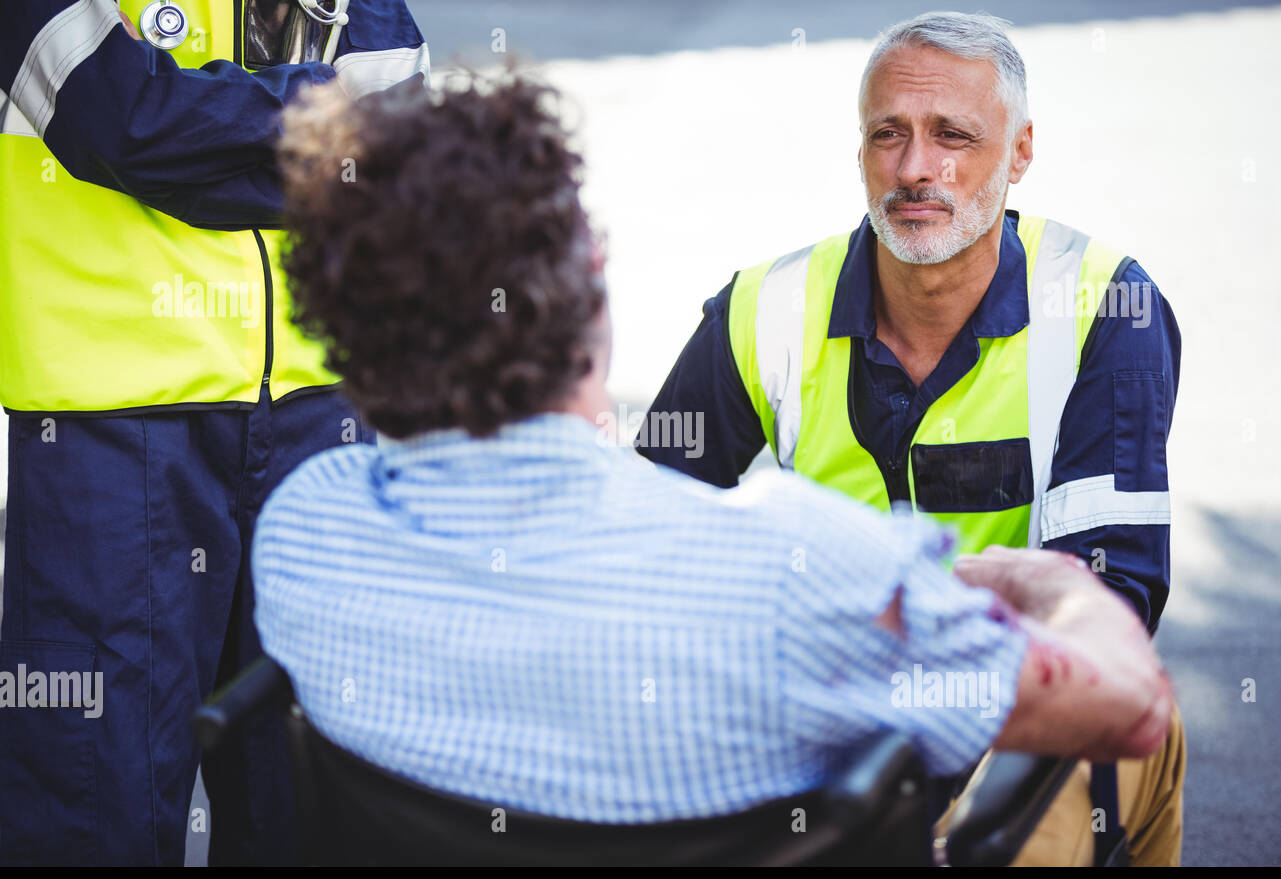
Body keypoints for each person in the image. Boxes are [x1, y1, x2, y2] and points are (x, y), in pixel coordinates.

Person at [251, 72, 1173, 840]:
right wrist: (1037, 585)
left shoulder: (304, 530)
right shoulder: (805, 575)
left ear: (344, 329)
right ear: (589, 284)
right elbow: (1126, 703)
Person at [637, 10, 1185, 866]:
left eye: (954, 135)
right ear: (859, 152)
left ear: (1022, 152)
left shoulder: (1104, 303)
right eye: (887, 134)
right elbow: (645, 544)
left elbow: (1114, 600)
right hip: (827, 733)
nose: (916, 168)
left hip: (1024, 714)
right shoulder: (760, 310)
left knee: (1129, 721)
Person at [0, 0, 429, 866]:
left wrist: (204, 126)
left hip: (323, 410)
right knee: (95, 812)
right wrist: (312, 119)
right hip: (112, 427)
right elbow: (119, 120)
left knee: (314, 803)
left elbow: (395, 130)